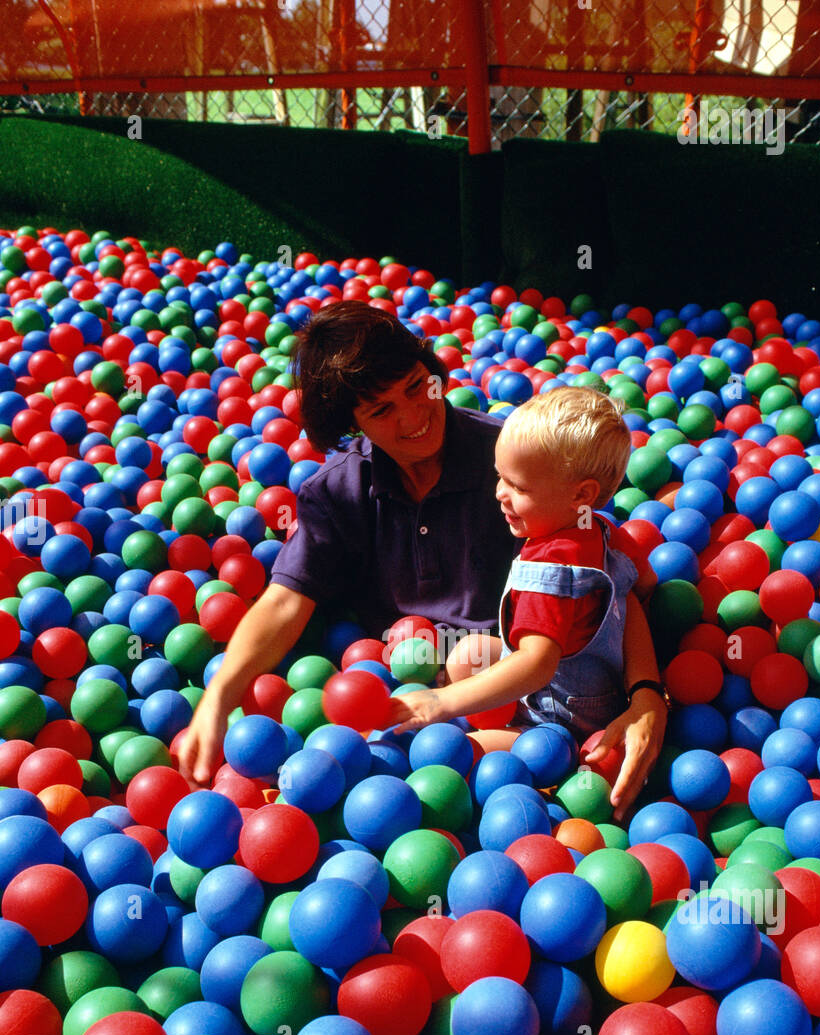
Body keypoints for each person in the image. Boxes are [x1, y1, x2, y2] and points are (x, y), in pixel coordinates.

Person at [177, 303, 667, 817]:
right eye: (381, 410)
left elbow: (608, 584)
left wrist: (647, 695)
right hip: (397, 687)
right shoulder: (340, 492)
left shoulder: (514, 463)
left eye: (417, 387)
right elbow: (283, 604)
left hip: (516, 696)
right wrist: (218, 698)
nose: (413, 417)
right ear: (353, 423)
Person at [388, 385, 660, 755]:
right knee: (468, 653)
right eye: (500, 477)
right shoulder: (601, 530)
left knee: (452, 751)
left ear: (581, 495)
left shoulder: (547, 572)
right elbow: (644, 584)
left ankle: (534, 743)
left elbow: (536, 664)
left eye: (518, 486)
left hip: (564, 713)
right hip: (602, 676)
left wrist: (442, 702)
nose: (500, 493)